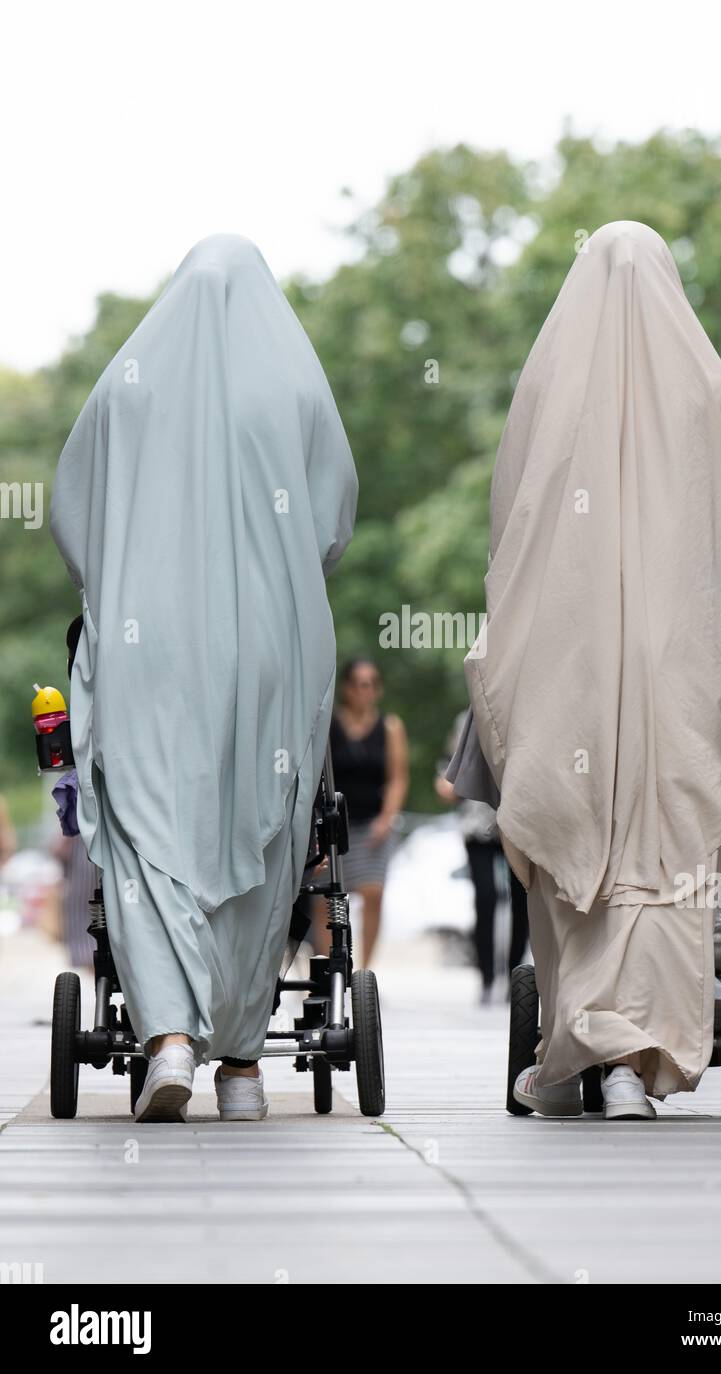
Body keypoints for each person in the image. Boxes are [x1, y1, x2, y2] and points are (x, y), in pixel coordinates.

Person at [448, 221, 721, 1121]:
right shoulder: (708, 391)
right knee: (670, 850)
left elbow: (508, 539)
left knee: (581, 851)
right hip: (684, 668)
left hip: (568, 668)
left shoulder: (546, 390)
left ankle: (588, 1051)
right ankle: (642, 1060)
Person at [50, 234, 358, 1122]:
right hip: (272, 647)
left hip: (149, 654)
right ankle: (244, 1065)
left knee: (150, 836)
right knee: (264, 841)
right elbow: (333, 523)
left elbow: (74, 521)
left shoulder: (125, 388)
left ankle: (170, 1041)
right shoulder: (295, 387)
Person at [313, 657, 408, 965]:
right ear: (347, 688)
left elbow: (397, 778)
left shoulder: (390, 727)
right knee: (326, 898)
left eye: (370, 684)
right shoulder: (329, 725)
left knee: (373, 893)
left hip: (372, 825)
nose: (363, 691)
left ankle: (365, 969)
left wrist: (386, 818)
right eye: (357, 684)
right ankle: (328, 967)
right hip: (334, 823)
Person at [435, 711, 528, 1004]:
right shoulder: (467, 718)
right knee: (485, 897)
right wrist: (449, 783)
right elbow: (451, 767)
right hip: (477, 823)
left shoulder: (524, 711)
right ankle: (486, 977)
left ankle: (517, 977)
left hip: (516, 823)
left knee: (521, 899)